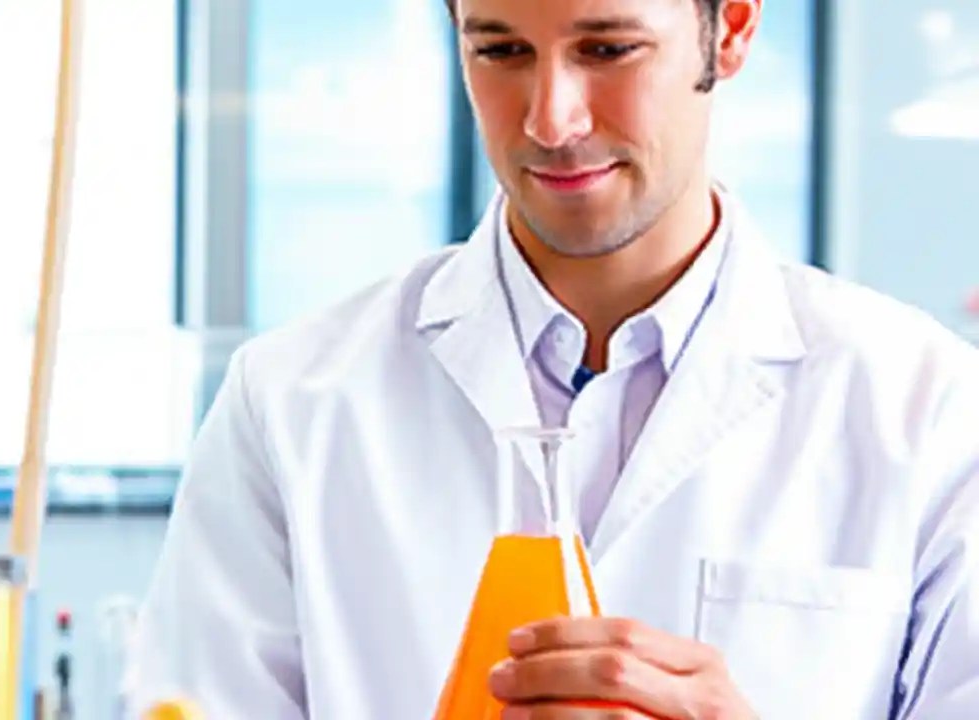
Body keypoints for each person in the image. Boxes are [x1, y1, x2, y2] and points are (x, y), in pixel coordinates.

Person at [133, 0, 979, 717]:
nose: (551, 119)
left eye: (607, 49)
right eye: (500, 51)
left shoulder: (926, 407)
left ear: (731, 31)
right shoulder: (291, 401)